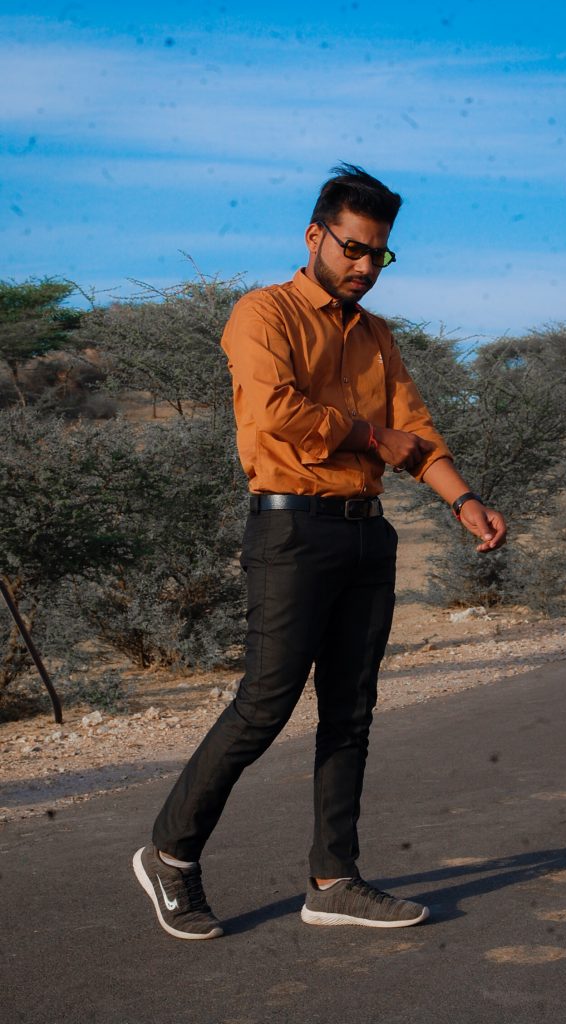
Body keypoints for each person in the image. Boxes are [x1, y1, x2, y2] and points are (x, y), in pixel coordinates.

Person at [133, 163, 506, 940]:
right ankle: (170, 854)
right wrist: (372, 435)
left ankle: (334, 879)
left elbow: (418, 434)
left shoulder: (377, 338)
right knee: (266, 701)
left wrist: (463, 499)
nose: (366, 267)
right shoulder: (260, 314)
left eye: (380, 255)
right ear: (315, 236)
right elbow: (273, 411)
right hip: (290, 529)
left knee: (351, 711)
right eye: (353, 249)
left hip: (366, 531)